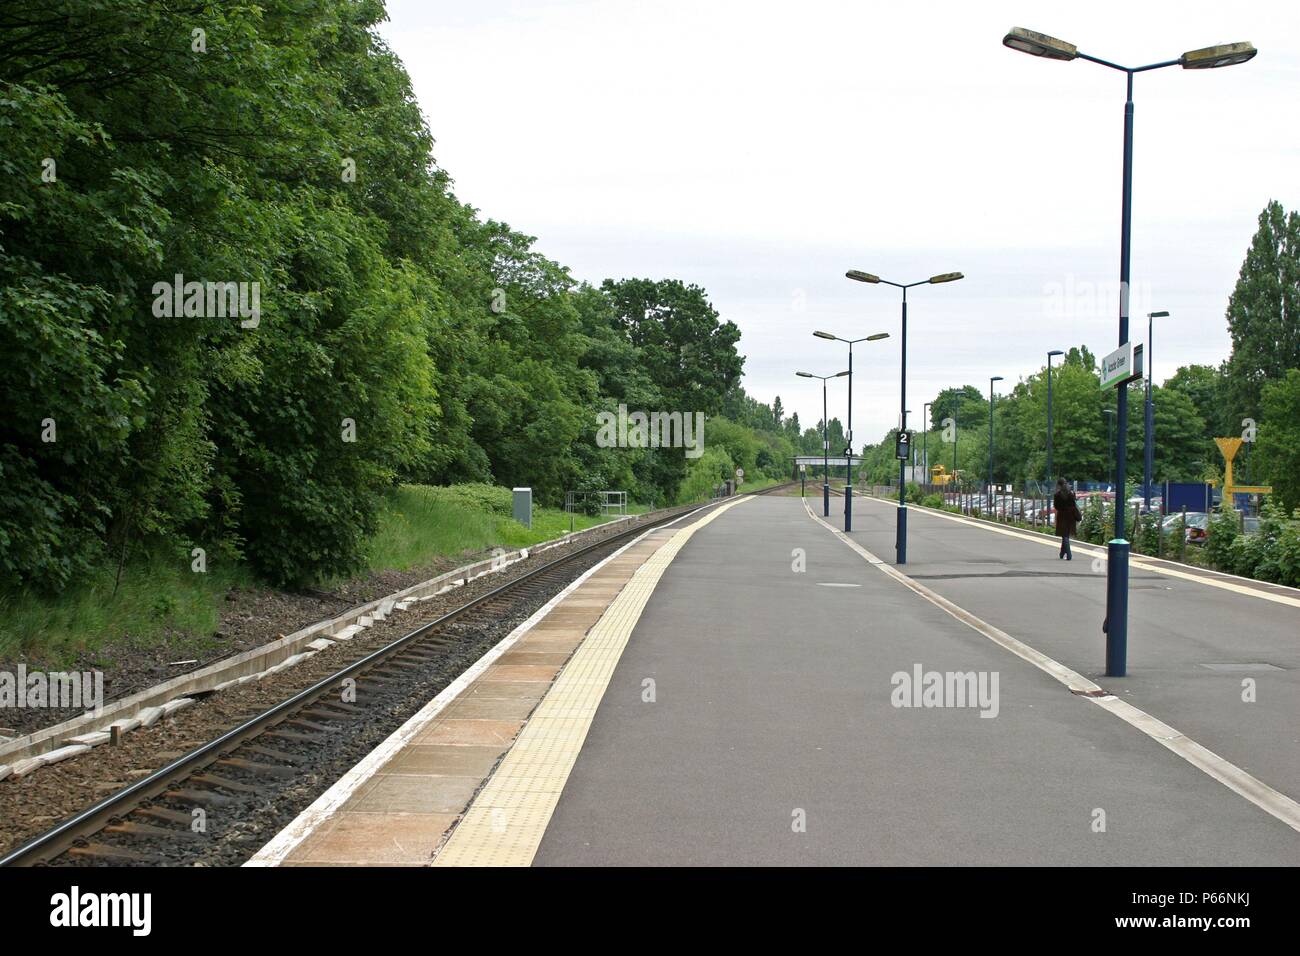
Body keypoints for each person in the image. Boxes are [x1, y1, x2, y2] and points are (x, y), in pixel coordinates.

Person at [1053, 477, 1081, 560]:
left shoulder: (1057, 495)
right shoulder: (1071, 493)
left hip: (1062, 515)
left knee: (1065, 535)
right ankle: (1062, 553)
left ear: (1059, 485)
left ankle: (1069, 554)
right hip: (1071, 515)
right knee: (1066, 534)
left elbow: (1056, 506)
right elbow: (1073, 504)